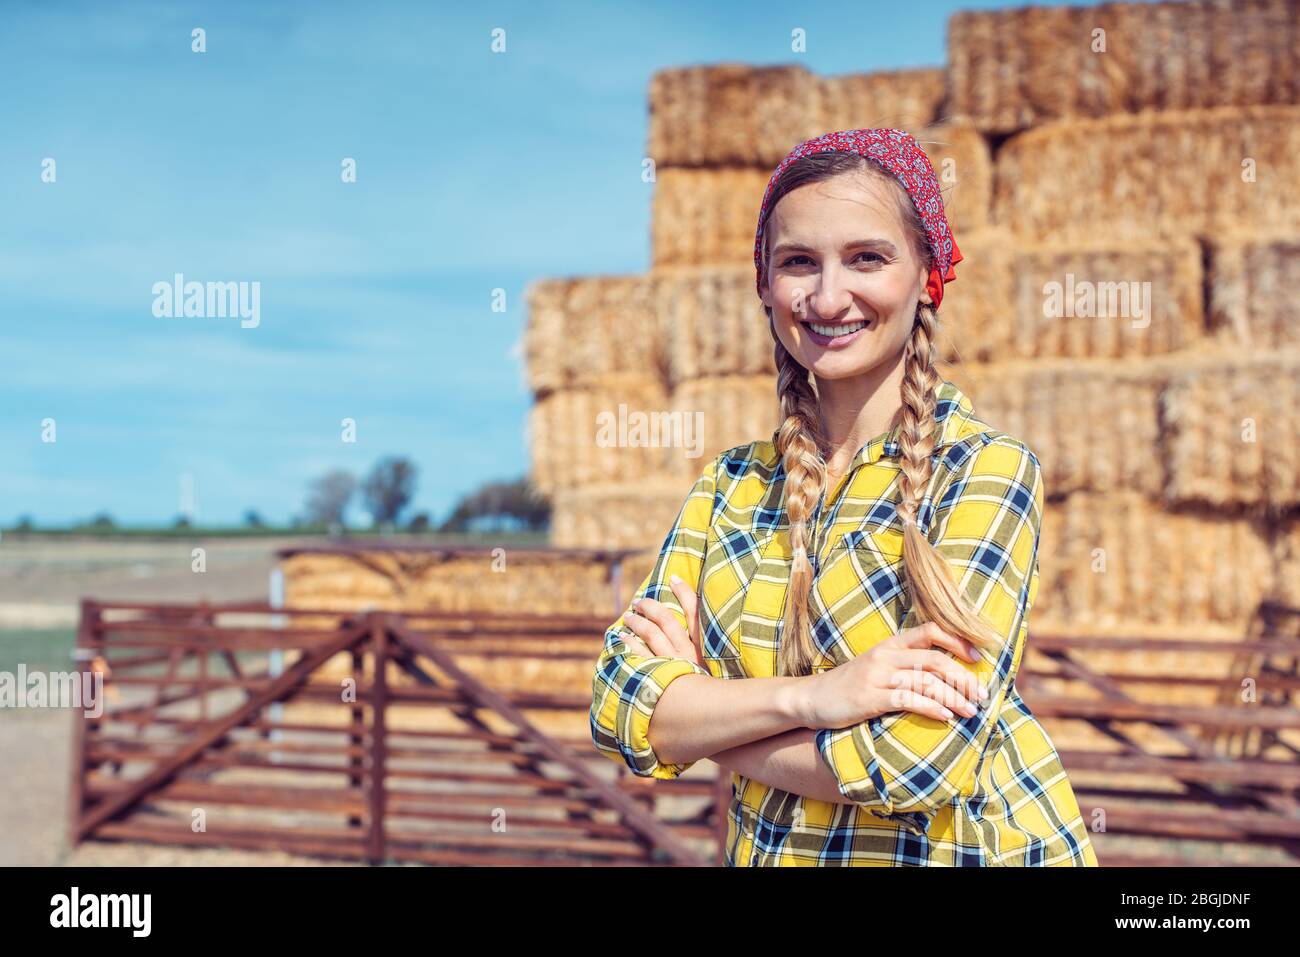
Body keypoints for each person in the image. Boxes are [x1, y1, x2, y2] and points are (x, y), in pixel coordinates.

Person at [590, 128, 1097, 867]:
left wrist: (702, 718)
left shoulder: (984, 470)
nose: (829, 296)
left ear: (927, 272)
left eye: (867, 257)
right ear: (764, 283)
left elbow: (920, 760)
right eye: (799, 262)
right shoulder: (729, 487)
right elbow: (617, 705)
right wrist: (818, 698)